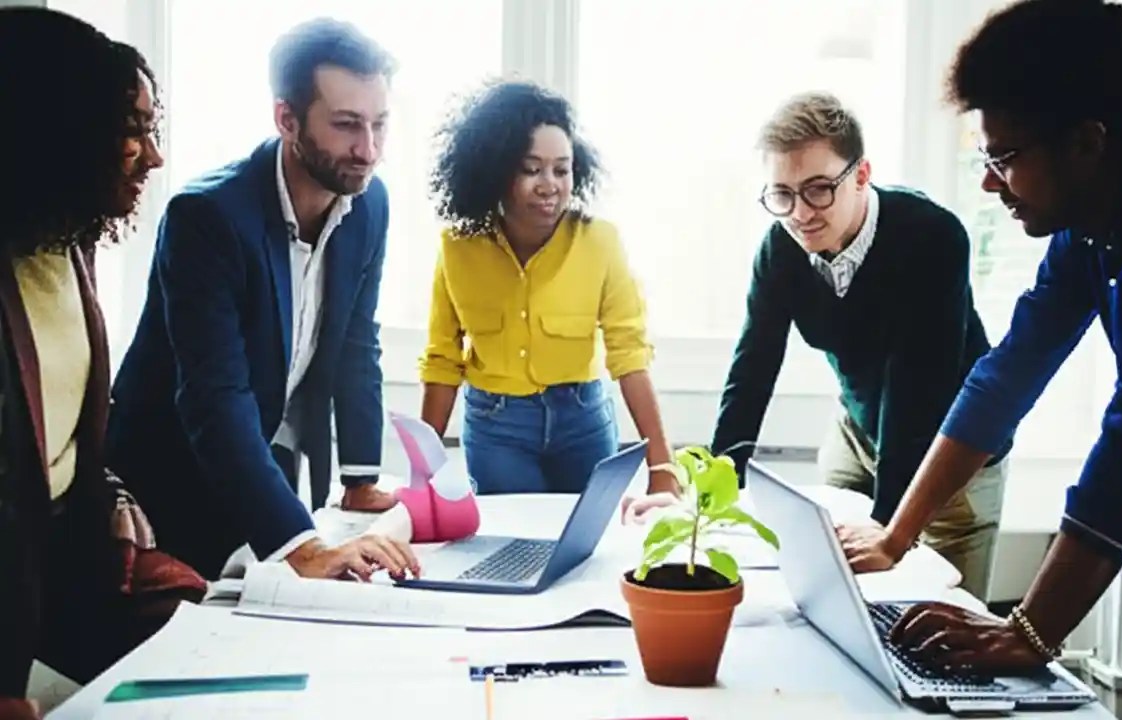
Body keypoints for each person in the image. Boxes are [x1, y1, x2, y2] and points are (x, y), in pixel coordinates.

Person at [839, 1, 1122, 713]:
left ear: (1085, 142)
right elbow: (1006, 376)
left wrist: (1032, 632)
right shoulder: (1088, 218)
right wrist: (896, 535)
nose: (988, 181)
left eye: (1003, 157)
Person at [106, 18, 420, 583]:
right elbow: (214, 396)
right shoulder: (206, 218)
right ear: (287, 119)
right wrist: (300, 546)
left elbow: (354, 341)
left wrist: (360, 478)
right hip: (171, 476)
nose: (368, 149)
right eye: (347, 125)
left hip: (265, 460)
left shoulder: (369, 204)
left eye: (380, 124)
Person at [707, 91, 1008, 599]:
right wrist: (713, 494)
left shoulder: (931, 237)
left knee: (940, 631)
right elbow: (753, 367)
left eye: (818, 189)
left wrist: (891, 526)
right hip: (857, 433)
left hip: (950, 453)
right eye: (781, 194)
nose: (800, 213)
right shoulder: (781, 247)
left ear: (862, 175)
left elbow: (918, 386)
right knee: (833, 605)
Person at [0, 9, 207, 719]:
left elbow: (52, 441)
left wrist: (112, 496)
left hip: (54, 576)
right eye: (131, 129)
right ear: (57, 132)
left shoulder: (68, 246)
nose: (151, 155)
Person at [419, 79, 677, 499]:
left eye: (562, 168)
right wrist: (423, 474)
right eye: (531, 168)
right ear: (495, 170)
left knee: (588, 550)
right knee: (513, 550)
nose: (550, 184)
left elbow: (629, 353)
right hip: (496, 428)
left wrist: (662, 464)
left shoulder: (601, 242)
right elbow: (442, 361)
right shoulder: (457, 248)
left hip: (584, 422)